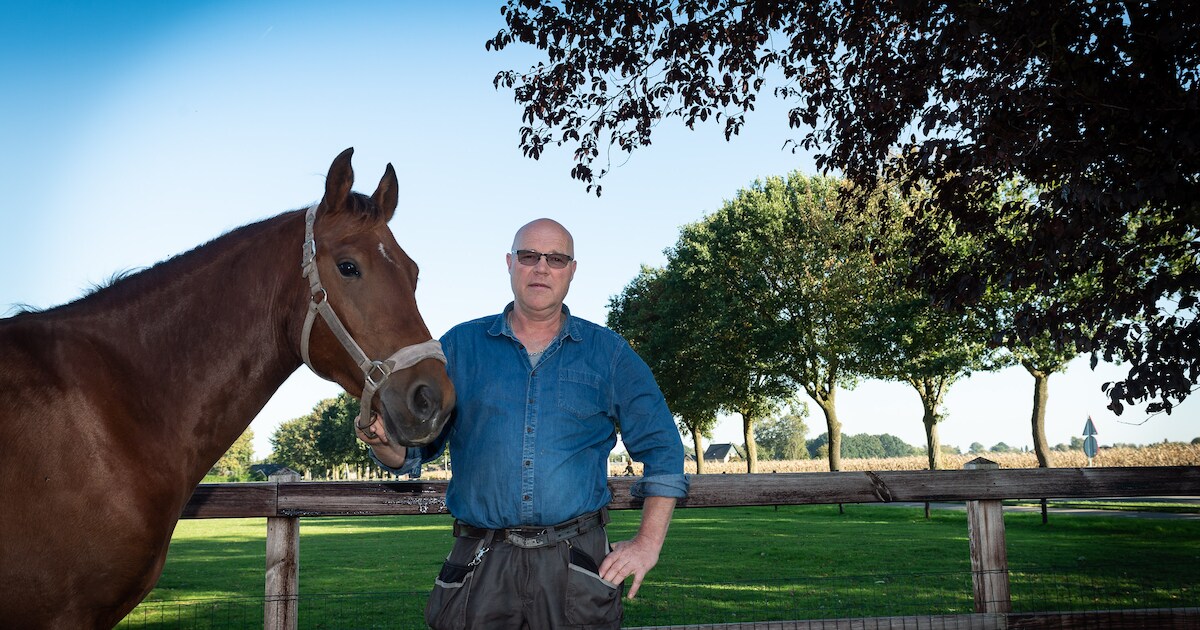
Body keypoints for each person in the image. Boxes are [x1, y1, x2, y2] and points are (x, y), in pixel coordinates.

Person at [359, 218, 689, 629]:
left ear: (572, 270)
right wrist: (381, 441)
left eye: (556, 259)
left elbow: (664, 450)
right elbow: (413, 451)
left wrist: (647, 544)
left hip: (576, 566)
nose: (541, 268)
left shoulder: (609, 354)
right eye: (529, 256)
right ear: (510, 263)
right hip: (480, 564)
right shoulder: (458, 347)